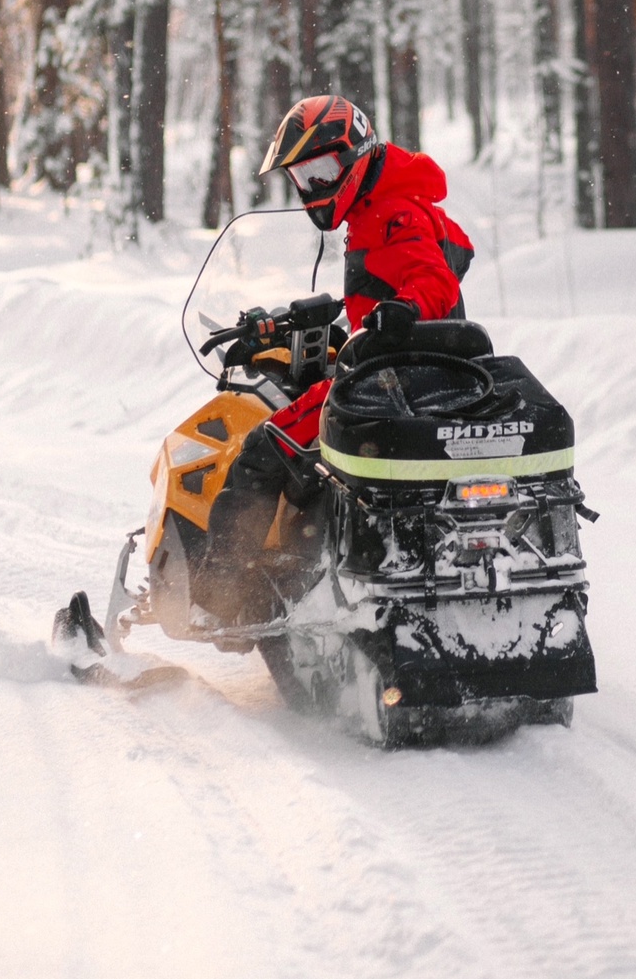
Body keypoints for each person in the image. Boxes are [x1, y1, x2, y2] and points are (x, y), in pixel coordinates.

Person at [195, 94, 474, 624]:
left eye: (322, 172)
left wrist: (404, 312)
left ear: (357, 155)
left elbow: (431, 283)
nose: (313, 189)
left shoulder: (393, 212)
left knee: (262, 450)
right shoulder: (378, 206)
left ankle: (221, 603)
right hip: (416, 375)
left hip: (387, 382)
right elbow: (382, 289)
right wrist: (295, 320)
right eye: (302, 177)